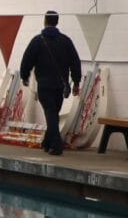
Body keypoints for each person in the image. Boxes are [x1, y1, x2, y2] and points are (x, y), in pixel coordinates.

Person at [18, 9, 83, 157]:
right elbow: (75, 62)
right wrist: (76, 83)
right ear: (57, 22)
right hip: (60, 86)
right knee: (53, 113)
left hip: (45, 85)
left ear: (45, 21)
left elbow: (27, 59)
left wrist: (24, 76)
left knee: (51, 114)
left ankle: (56, 145)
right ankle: (47, 143)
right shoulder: (66, 41)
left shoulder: (37, 41)